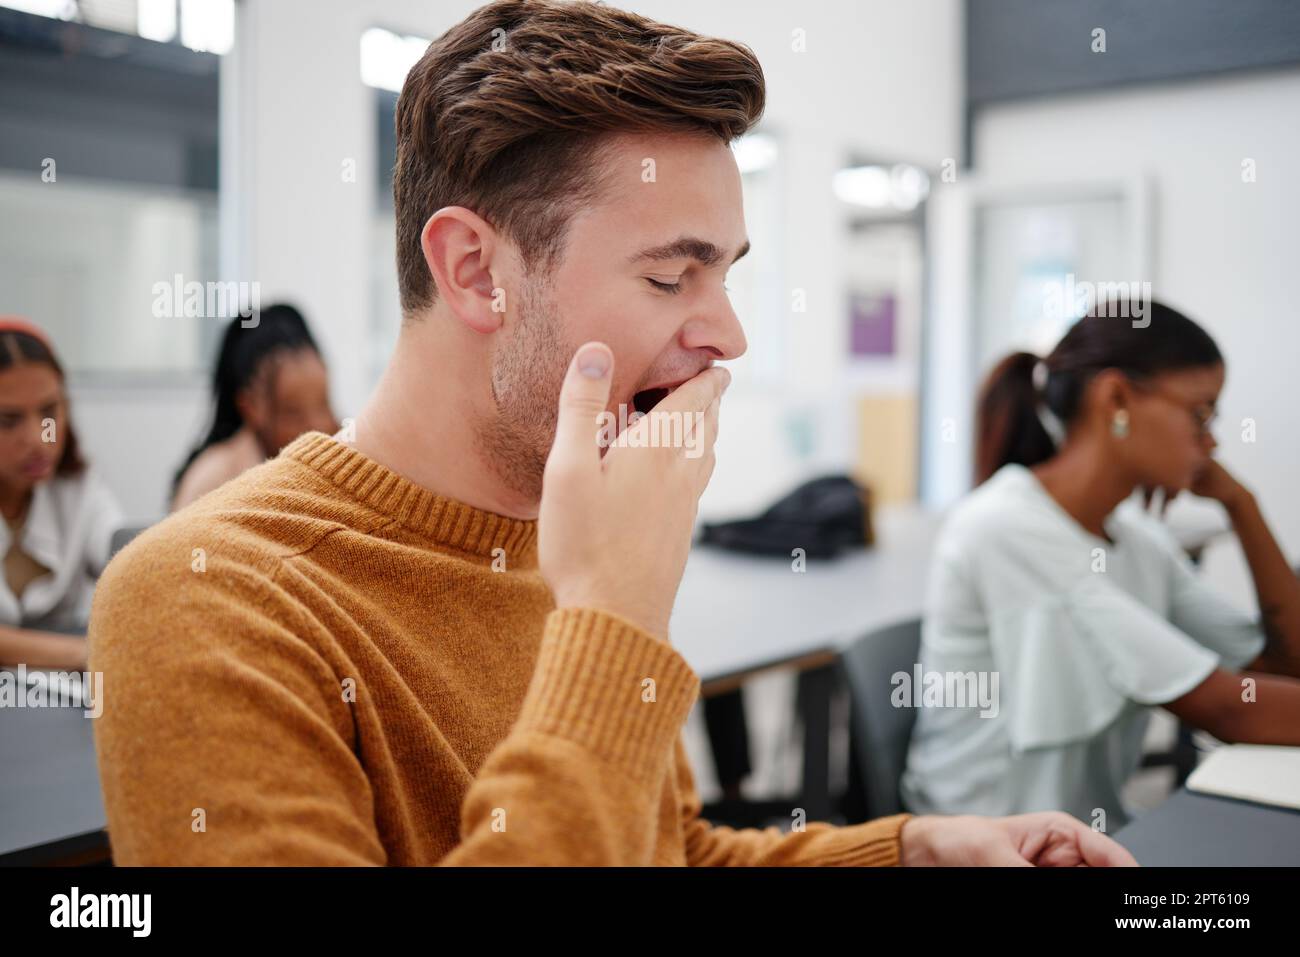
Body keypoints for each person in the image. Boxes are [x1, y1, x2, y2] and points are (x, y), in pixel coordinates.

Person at [89, 0, 1133, 867]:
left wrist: (907, 851)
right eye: (670, 276)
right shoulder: (203, 597)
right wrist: (612, 624)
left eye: (726, 275)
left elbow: (662, 847)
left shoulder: (571, 535)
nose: (725, 334)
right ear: (472, 270)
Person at [902, 299, 1300, 829]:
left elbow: (1276, 670)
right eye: (1200, 413)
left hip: (1081, 837)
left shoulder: (1135, 539)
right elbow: (1233, 710)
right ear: (1116, 397)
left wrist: (1241, 505)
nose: (1211, 441)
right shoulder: (1006, 528)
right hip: (986, 847)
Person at [0, 317, 123, 669]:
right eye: (8, 421)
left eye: (49, 411)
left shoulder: (80, 490)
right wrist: (84, 655)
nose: (39, 439)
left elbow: (123, 552)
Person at [171, 304, 337, 511]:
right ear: (250, 407)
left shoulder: (344, 453)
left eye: (324, 404)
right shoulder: (213, 478)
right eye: (293, 413)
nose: (317, 426)